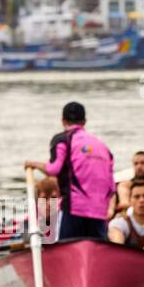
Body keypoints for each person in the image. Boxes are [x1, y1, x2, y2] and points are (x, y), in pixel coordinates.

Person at [24, 101, 114, 240]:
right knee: (98, 246)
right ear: (84, 122)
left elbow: (54, 169)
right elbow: (111, 184)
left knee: (67, 246)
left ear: (63, 121)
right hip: (99, 210)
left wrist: (33, 164)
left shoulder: (62, 139)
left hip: (75, 208)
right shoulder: (102, 146)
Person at [34, 177, 62, 243]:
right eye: (44, 198)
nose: (49, 203)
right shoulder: (32, 218)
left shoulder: (66, 218)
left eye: (54, 197)